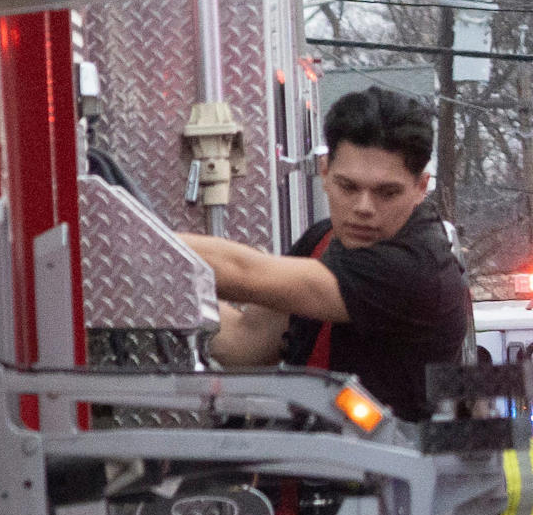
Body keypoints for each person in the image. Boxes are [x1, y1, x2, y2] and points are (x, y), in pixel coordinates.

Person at [182, 87, 476, 422]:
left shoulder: (415, 269)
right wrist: (161, 294)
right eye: (348, 187)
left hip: (386, 471)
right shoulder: (324, 239)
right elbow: (248, 343)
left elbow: (244, 272)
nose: (363, 208)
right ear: (324, 172)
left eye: (387, 192)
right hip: (312, 466)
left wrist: (135, 245)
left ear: (421, 187)